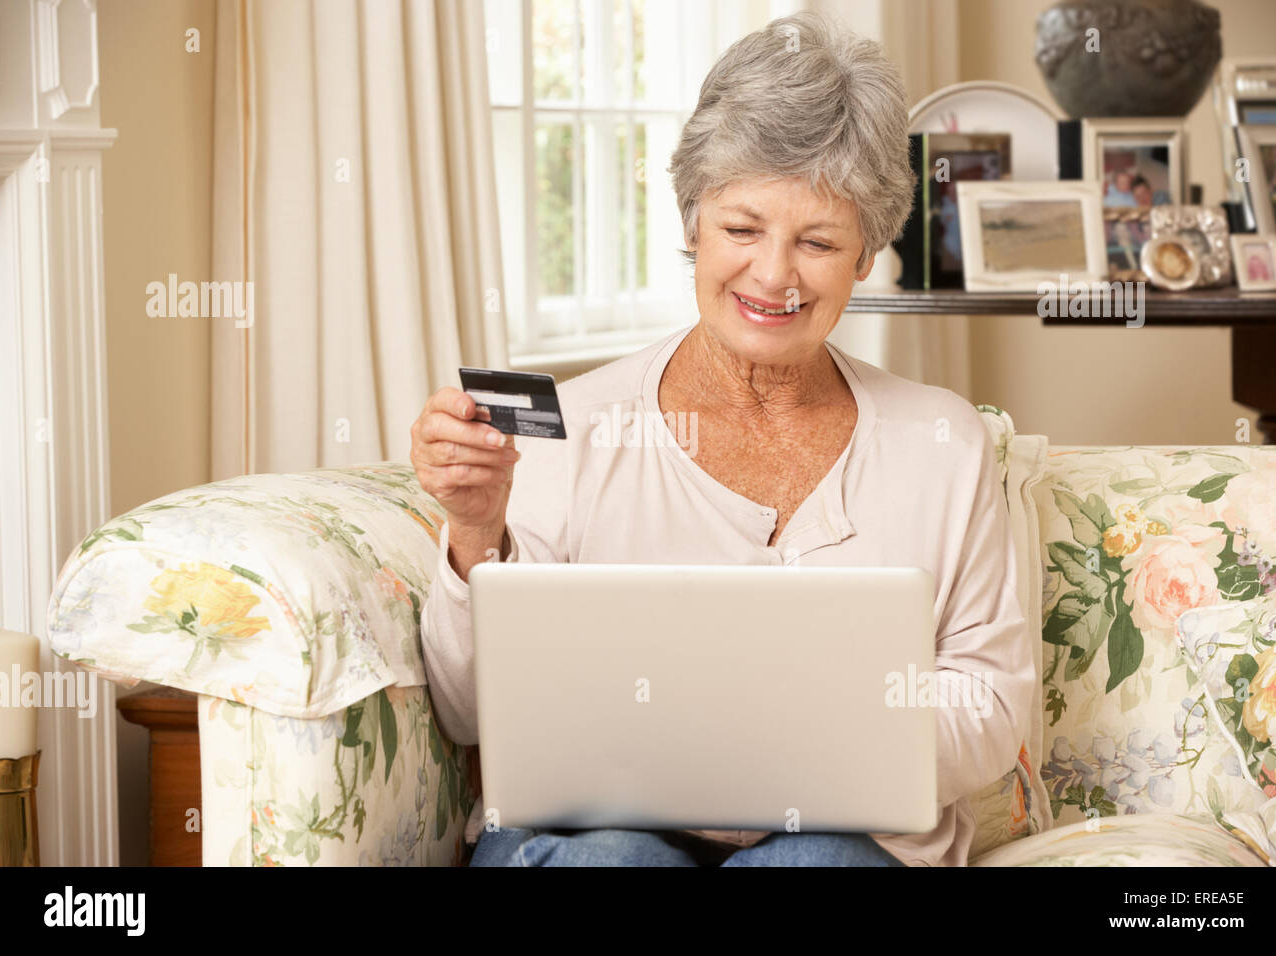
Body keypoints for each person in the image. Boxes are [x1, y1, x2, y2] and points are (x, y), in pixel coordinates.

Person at [410, 11, 1033, 867]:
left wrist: (782, 738)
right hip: (594, 831)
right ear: (693, 222)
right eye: (742, 229)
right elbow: (468, 711)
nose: (773, 275)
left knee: (813, 862)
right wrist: (476, 530)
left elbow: (991, 708)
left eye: (818, 241)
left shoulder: (942, 443)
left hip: (842, 840)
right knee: (610, 859)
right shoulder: (572, 430)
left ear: (865, 255)